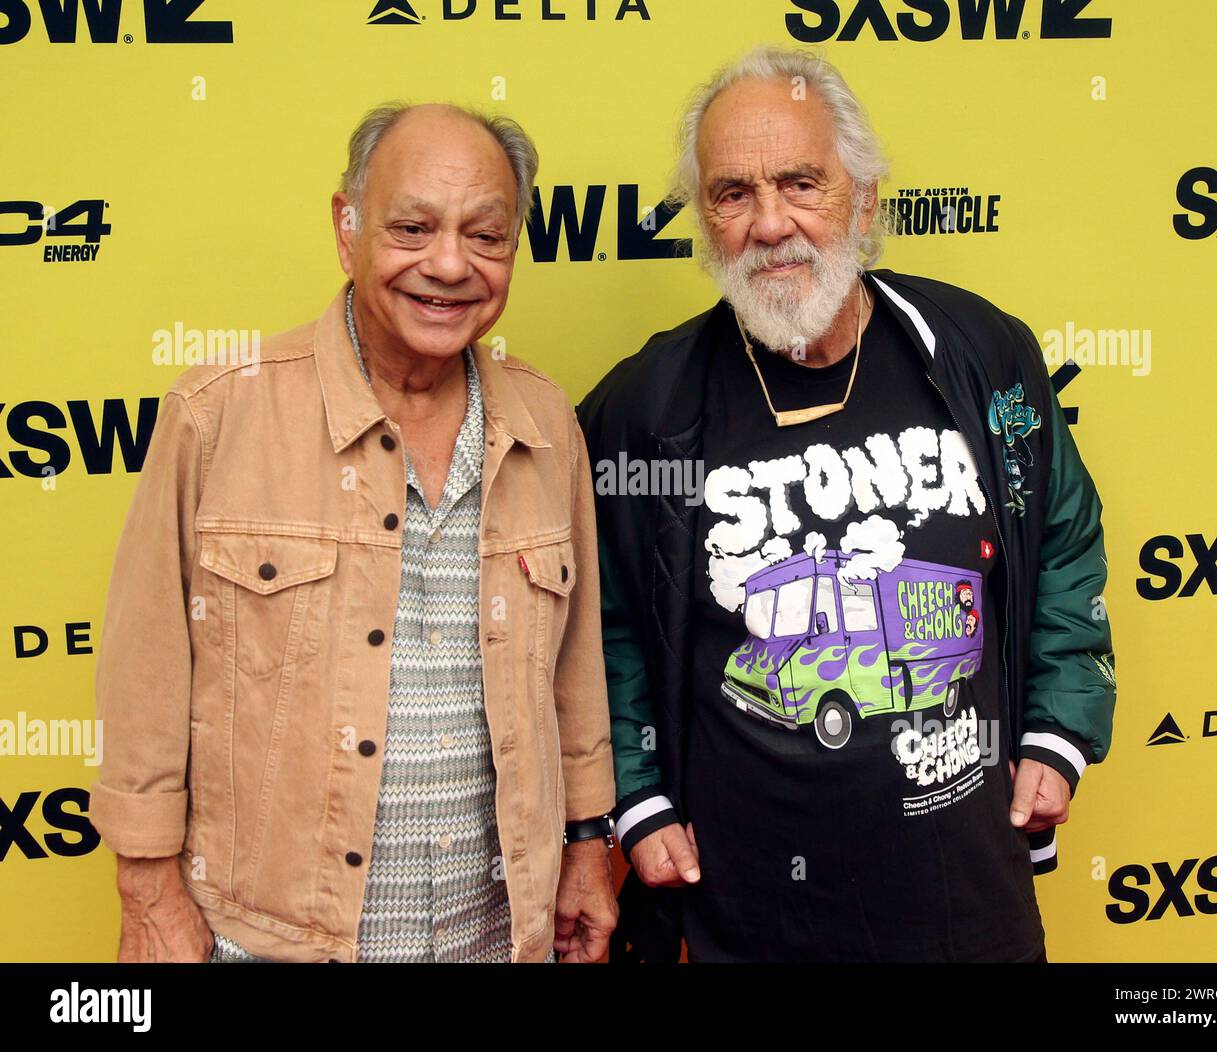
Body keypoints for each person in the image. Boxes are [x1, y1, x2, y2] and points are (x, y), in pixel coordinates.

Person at [578, 47, 1117, 962]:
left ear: (864, 200)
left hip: (967, 903)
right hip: (743, 916)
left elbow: (1061, 539)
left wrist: (1059, 730)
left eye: (801, 183)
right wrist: (637, 796)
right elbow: (608, 622)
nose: (770, 224)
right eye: (731, 194)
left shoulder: (982, 351)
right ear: (705, 222)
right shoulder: (645, 408)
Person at [89, 103, 618, 964]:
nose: (449, 264)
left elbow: (575, 670)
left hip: (497, 939)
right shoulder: (220, 413)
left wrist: (589, 845)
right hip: (273, 943)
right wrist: (147, 895)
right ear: (347, 227)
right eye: (412, 227)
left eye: (486, 236)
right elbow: (144, 672)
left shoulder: (545, 421)